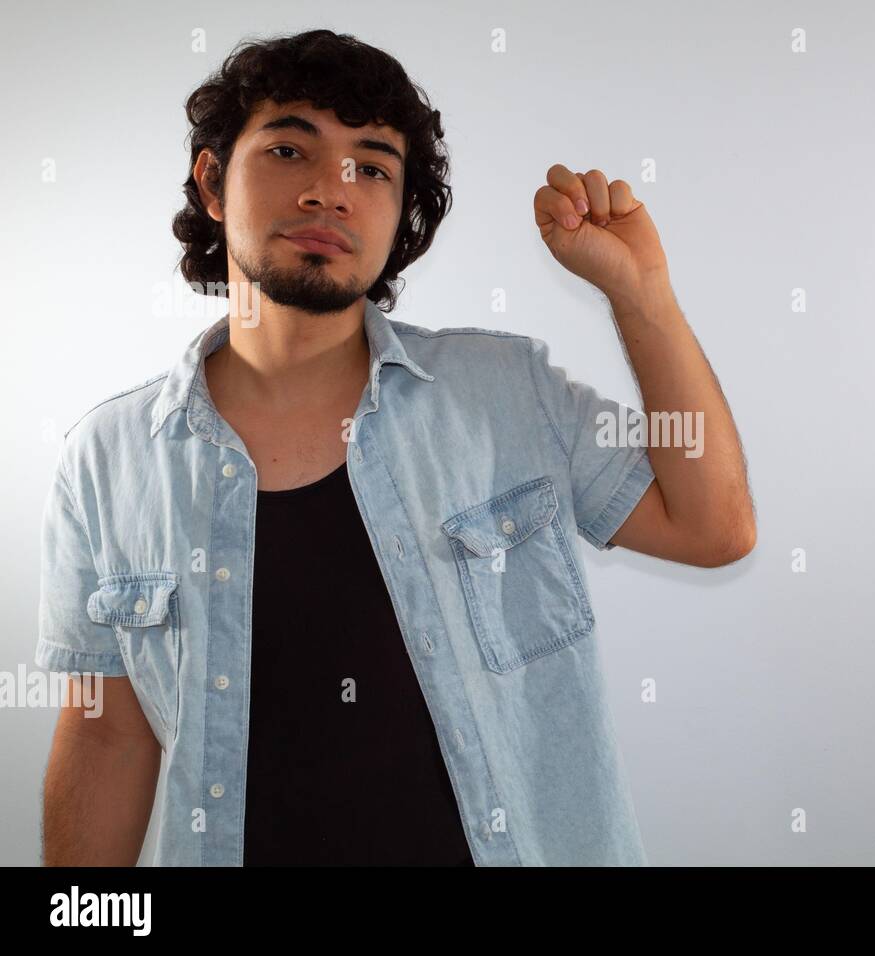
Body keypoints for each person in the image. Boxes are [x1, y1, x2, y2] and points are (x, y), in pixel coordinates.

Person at [35, 29, 755, 866]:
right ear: (213, 183)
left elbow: (714, 528)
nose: (330, 191)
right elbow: (107, 737)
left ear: (400, 210)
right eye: (289, 148)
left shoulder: (503, 390)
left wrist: (643, 297)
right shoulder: (105, 460)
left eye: (371, 167)